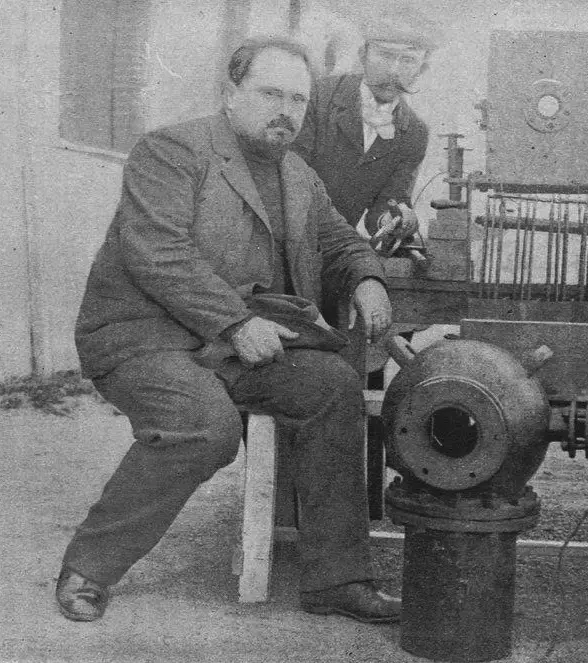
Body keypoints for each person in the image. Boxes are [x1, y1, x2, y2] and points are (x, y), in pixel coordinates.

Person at [55, 36, 401, 625]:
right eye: (271, 93)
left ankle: (336, 579)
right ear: (231, 92)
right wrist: (236, 321)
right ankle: (90, 567)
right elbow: (157, 251)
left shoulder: (298, 174)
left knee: (331, 385)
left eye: (299, 99)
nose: (286, 110)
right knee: (204, 428)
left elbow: (340, 240)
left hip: (235, 343)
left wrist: (368, 277)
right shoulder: (171, 150)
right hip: (147, 337)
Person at [292, 12, 441, 248]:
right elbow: (288, 177)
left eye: (408, 60)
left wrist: (393, 219)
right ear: (363, 55)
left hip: (330, 249)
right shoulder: (317, 97)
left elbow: (386, 204)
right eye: (384, 55)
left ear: (421, 70)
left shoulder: (414, 133)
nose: (394, 70)